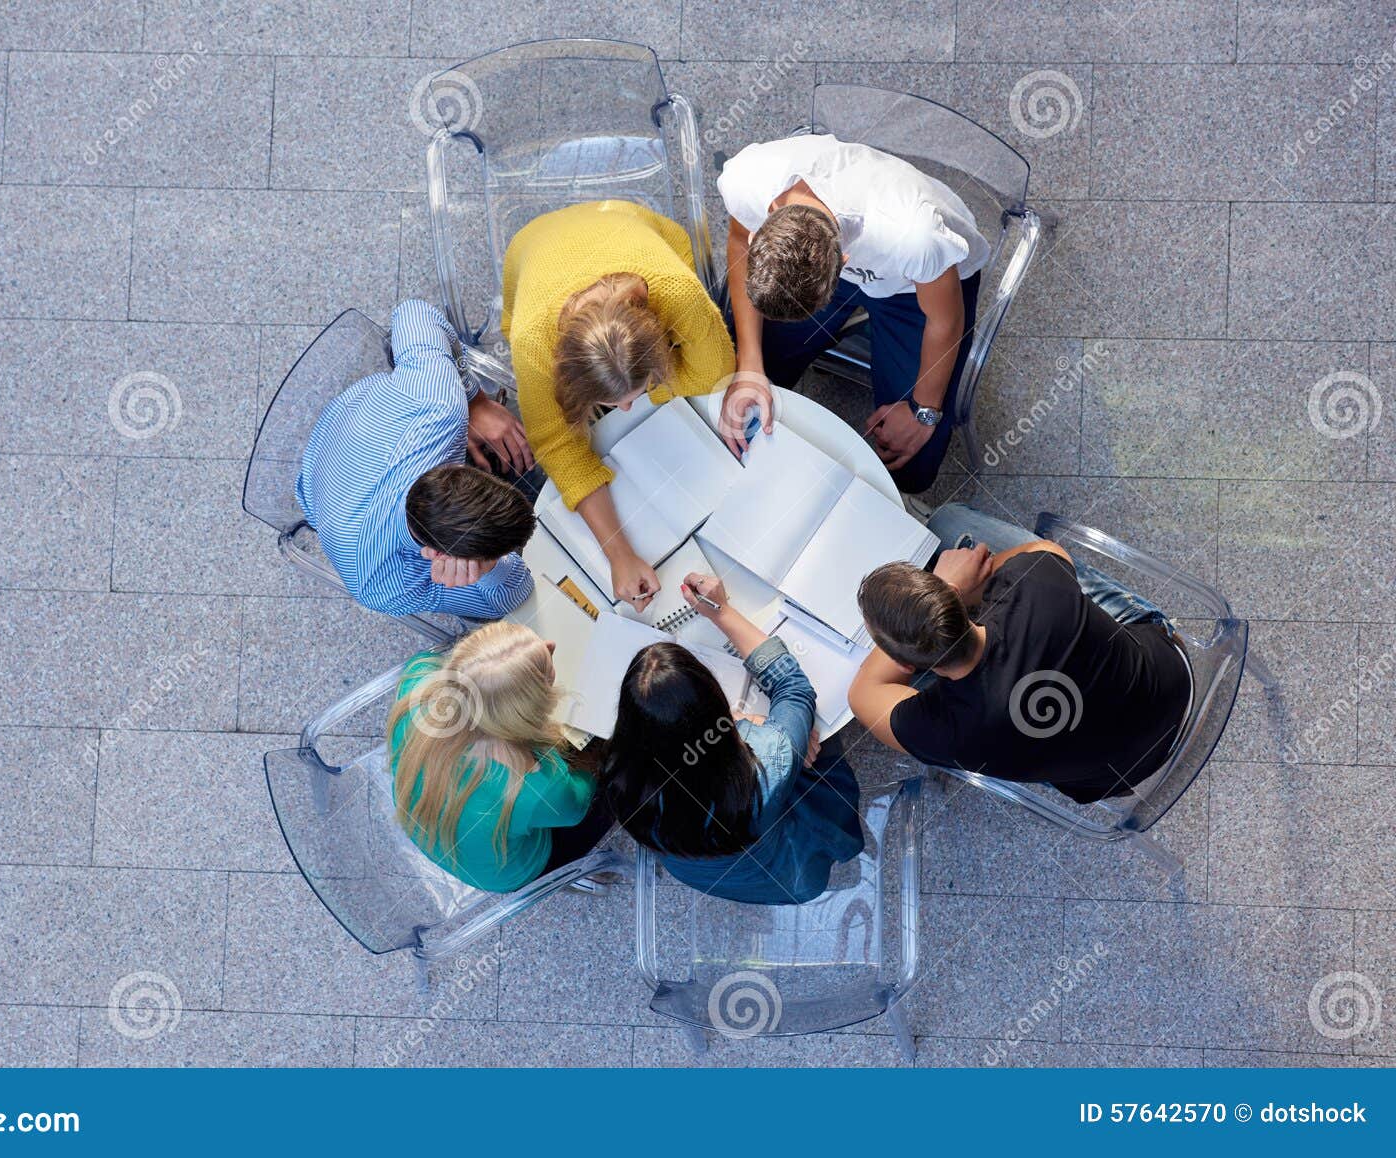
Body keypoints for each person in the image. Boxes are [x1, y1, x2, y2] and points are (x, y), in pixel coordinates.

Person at [848, 503, 1193, 803]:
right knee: (950, 520)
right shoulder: (1036, 586)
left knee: (947, 525)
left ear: (906, 664)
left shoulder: (940, 729)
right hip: (1174, 684)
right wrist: (948, 588)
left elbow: (863, 692)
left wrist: (913, 637)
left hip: (1112, 777)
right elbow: (1047, 550)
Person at [716, 133, 990, 493]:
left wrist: (924, 413)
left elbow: (945, 320)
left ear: (845, 262)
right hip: (832, 257)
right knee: (731, 373)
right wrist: (750, 360)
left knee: (913, 467)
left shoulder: (913, 236)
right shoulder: (746, 180)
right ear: (759, 235)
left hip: (912, 284)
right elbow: (738, 240)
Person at [501, 199, 736, 612]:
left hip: (632, 223)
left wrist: (656, 391)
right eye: (611, 404)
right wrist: (618, 554)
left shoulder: (675, 290)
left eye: (638, 393)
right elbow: (555, 444)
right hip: (531, 249)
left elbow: (717, 368)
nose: (628, 410)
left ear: (662, 345)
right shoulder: (531, 342)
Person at [600, 574, 865, 904]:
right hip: (795, 874)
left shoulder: (619, 781)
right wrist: (721, 611)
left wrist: (746, 728)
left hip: (711, 876)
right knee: (820, 742)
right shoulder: (766, 763)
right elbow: (795, 690)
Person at [296, 299, 538, 619]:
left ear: (464, 468)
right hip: (322, 491)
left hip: (350, 424)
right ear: (438, 555)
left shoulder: (439, 408)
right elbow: (515, 600)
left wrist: (473, 400)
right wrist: (490, 569)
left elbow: (412, 311)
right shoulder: (382, 585)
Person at [387, 622, 612, 892]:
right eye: (546, 673)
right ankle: (563, 874)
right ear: (526, 709)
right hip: (509, 871)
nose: (549, 646)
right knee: (612, 786)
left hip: (432, 826)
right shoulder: (537, 782)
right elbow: (577, 806)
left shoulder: (418, 677)